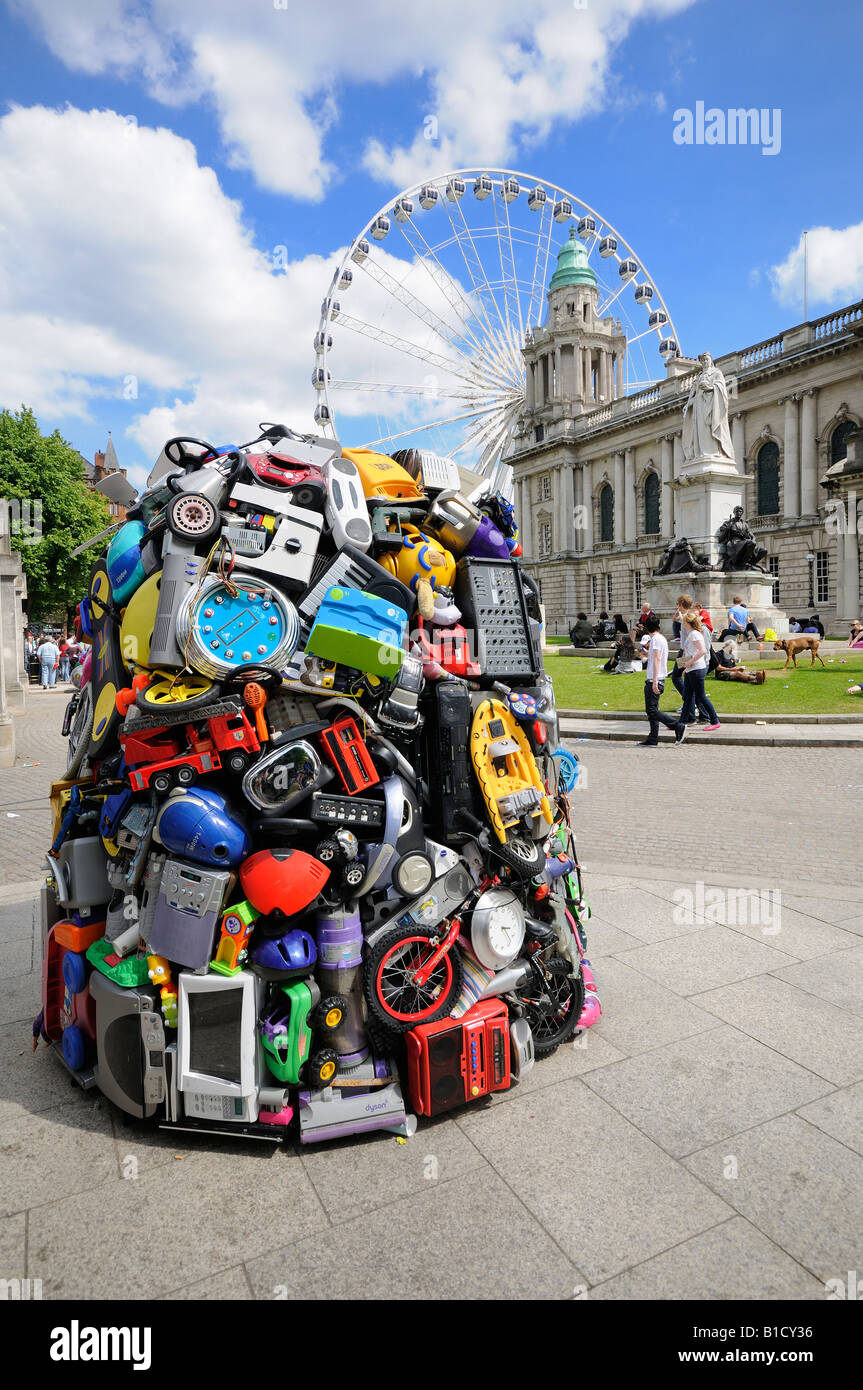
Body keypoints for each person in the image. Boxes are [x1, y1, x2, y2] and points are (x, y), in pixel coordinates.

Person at [636, 614, 686, 747]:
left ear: (647, 628)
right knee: (653, 711)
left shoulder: (656, 640)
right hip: (657, 677)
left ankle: (677, 726)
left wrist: (654, 681)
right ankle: (653, 738)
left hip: (655, 678)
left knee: (651, 711)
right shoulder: (660, 639)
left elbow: (657, 659)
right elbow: (656, 657)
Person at [679, 610, 721, 731]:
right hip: (691, 670)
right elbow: (688, 652)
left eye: (683, 621)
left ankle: (715, 720)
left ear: (687, 622)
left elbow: (702, 651)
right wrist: (685, 667)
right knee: (687, 697)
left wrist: (689, 663)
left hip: (697, 669)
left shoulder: (695, 634)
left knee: (701, 697)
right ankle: (681, 723)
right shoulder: (691, 634)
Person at [670, 592, 693, 703]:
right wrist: (678, 611)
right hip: (686, 651)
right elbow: (674, 619)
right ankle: (689, 703)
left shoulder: (686, 618)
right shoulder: (688, 616)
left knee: (676, 677)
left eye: (678, 603)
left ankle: (688, 702)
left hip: (684, 651)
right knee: (685, 678)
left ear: (681, 603)